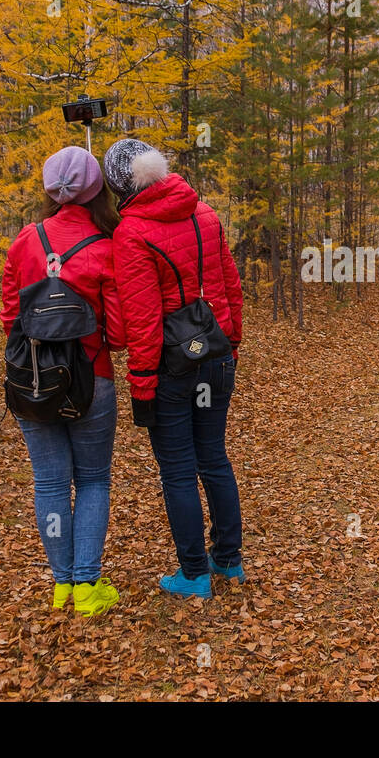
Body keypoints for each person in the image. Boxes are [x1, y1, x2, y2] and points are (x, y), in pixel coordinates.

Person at [105, 139, 244, 600]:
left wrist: (141, 384)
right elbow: (229, 282)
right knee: (214, 458)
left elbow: (142, 322)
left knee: (180, 470)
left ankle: (193, 574)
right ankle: (227, 561)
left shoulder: (131, 234)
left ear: (119, 185)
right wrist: (233, 343)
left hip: (172, 367)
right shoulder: (203, 212)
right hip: (217, 356)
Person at [1, 146, 126, 616]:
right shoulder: (106, 245)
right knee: (93, 480)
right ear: (98, 191)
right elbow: (116, 333)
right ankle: (88, 588)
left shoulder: (24, 240)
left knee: (50, 483)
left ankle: (61, 587)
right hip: (91, 379)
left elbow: (9, 316)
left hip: (32, 381)